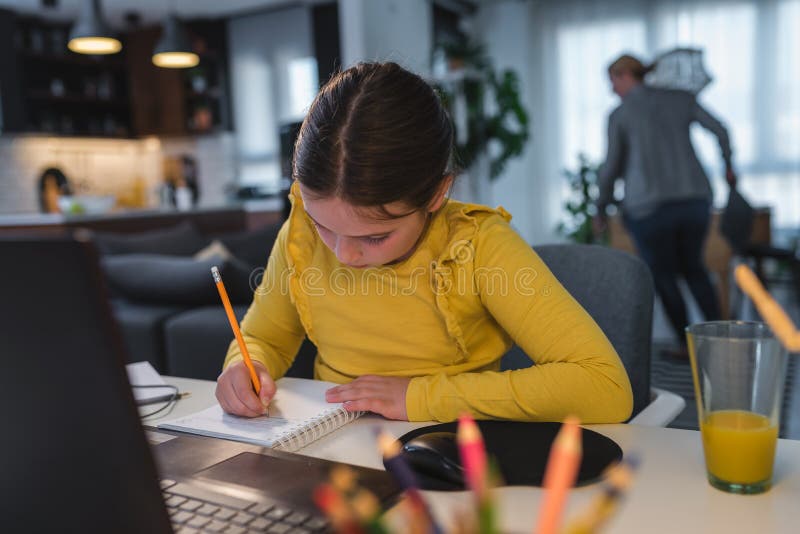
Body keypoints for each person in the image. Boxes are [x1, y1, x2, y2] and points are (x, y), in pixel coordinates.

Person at [216, 62, 633, 423]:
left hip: (449, 448)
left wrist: (419, 397)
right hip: (332, 448)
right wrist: (245, 365)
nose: (343, 255)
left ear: (437, 194)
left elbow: (603, 384)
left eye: (375, 236)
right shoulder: (300, 233)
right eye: (323, 225)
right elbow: (264, 338)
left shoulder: (477, 246)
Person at [594, 54, 736, 356]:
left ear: (624, 76)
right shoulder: (681, 99)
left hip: (648, 209)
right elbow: (721, 129)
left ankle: (688, 347)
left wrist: (601, 207)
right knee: (695, 269)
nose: (612, 90)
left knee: (664, 275)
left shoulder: (620, 114)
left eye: (613, 82)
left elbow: (612, 166)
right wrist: (728, 165)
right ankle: (720, 340)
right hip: (695, 201)